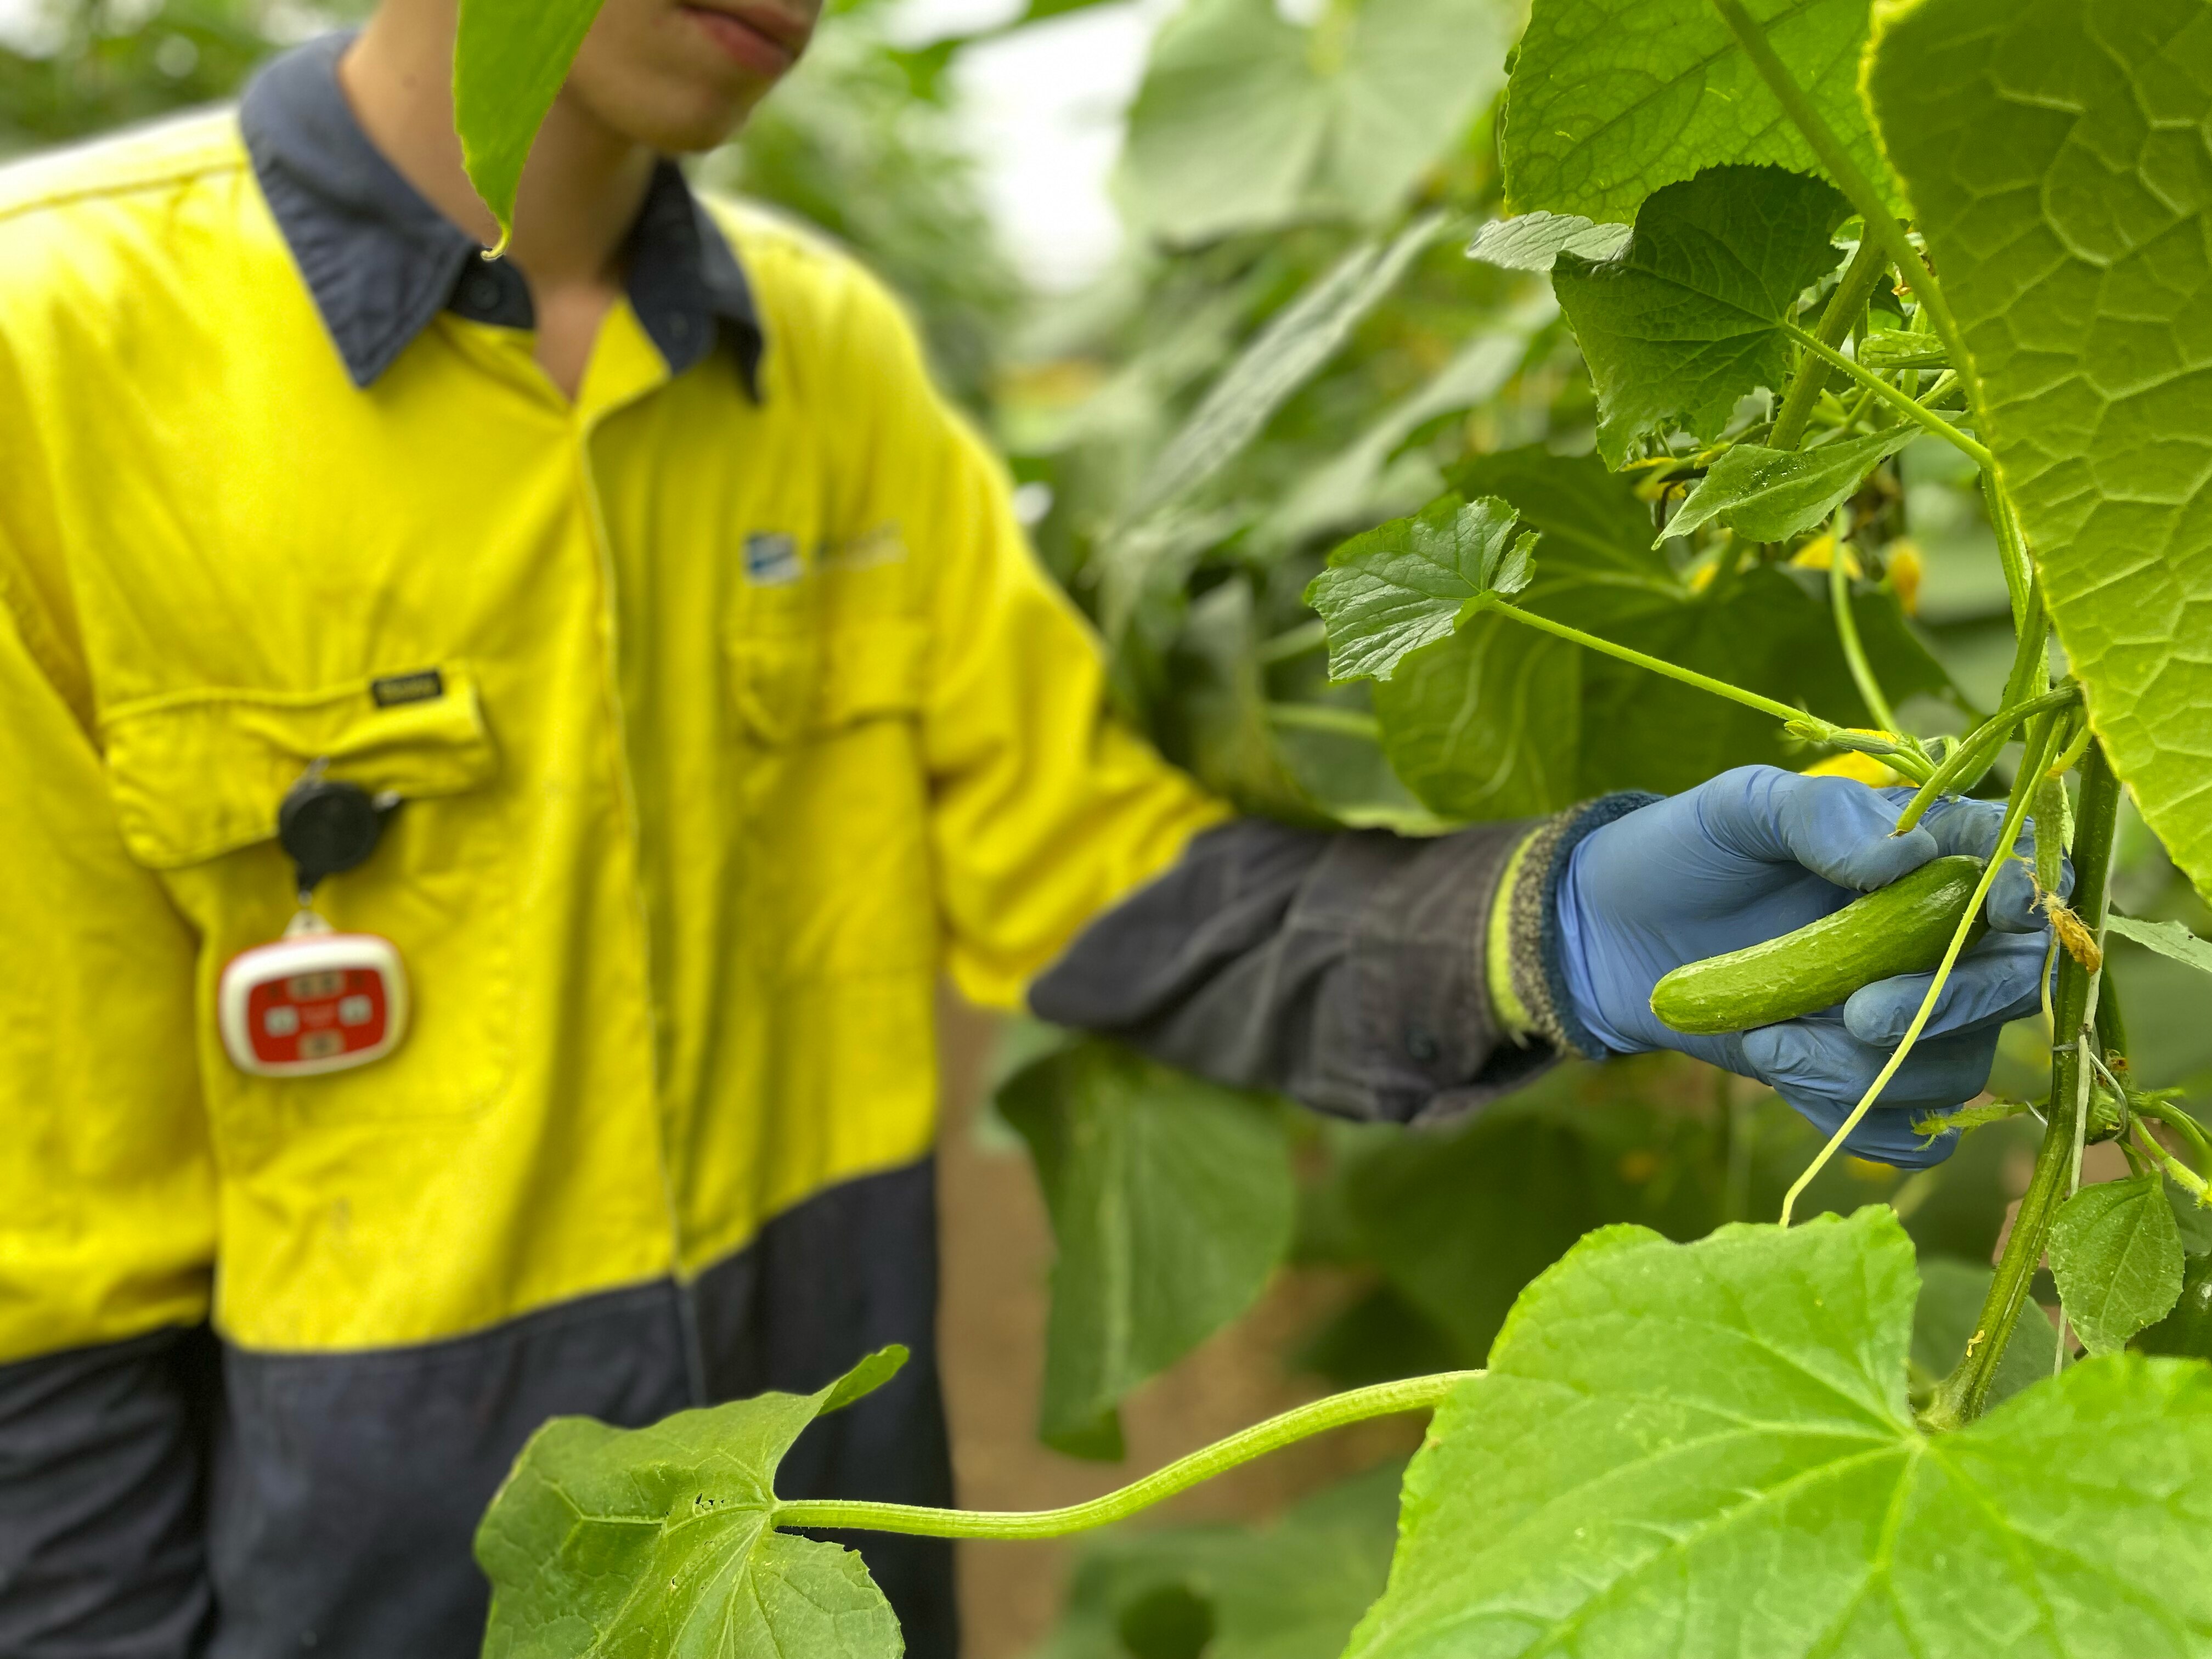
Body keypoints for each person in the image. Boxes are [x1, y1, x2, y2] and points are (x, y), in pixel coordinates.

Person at [0, 1, 2058, 1653]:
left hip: (827, 1505)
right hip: (362, 1571)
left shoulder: (832, 352)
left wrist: (1552, 925)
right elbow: (40, 1265)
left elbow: (1096, 876)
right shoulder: (59, 354)